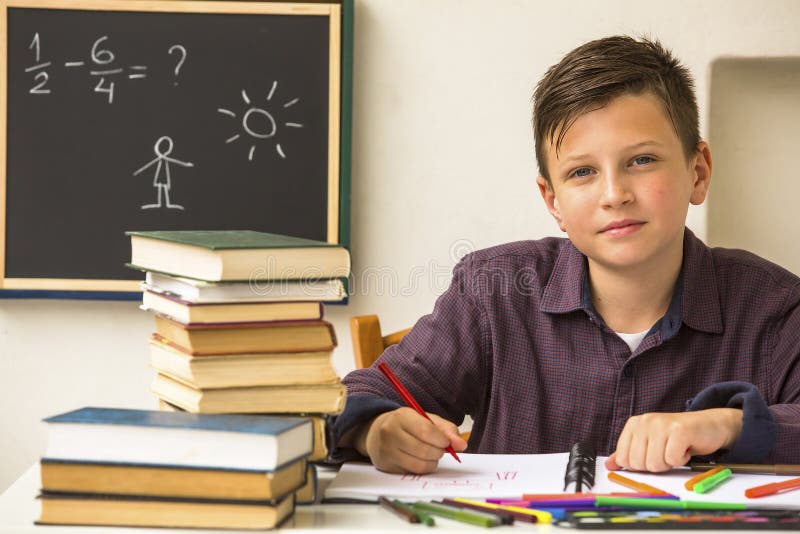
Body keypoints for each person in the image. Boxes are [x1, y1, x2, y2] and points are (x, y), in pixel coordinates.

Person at [332, 35, 800, 474]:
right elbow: (363, 395)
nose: (614, 194)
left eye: (642, 160)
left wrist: (729, 424)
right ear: (552, 200)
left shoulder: (773, 307)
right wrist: (374, 430)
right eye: (582, 172)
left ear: (697, 172)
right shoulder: (493, 290)